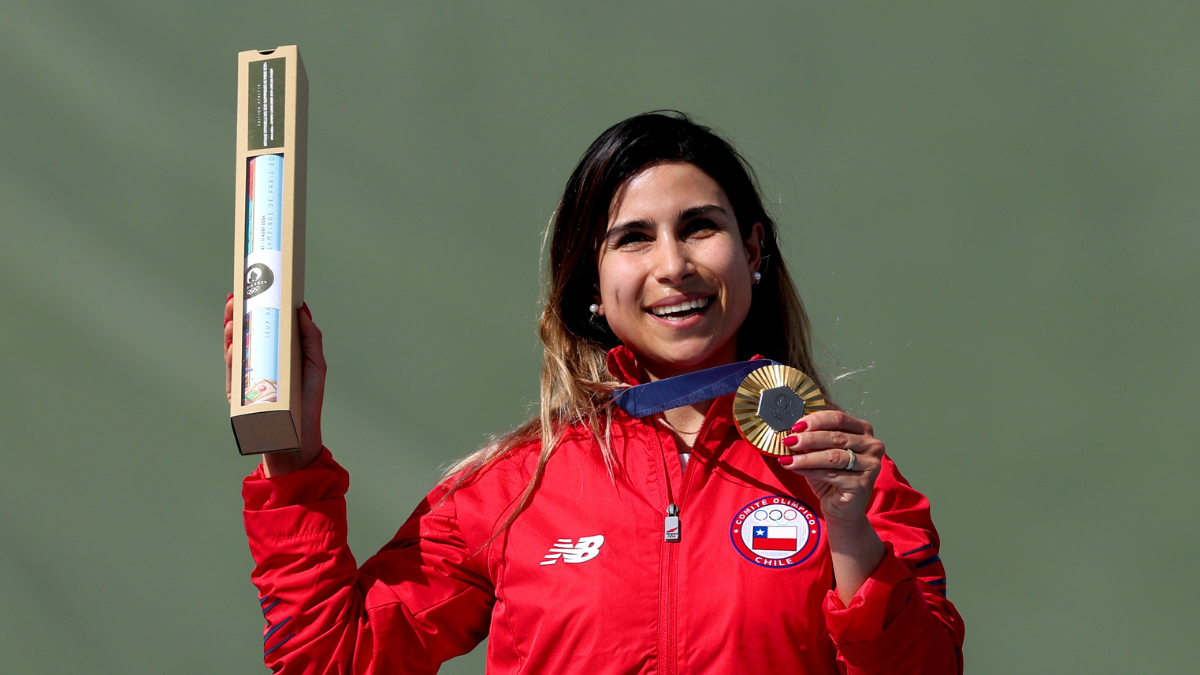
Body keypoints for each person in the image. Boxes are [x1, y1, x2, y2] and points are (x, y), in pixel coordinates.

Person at [223, 112, 965, 674]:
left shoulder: (845, 475)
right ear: (592, 286)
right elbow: (331, 658)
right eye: (634, 238)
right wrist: (290, 460)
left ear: (754, 249)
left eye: (700, 227)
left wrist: (851, 538)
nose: (673, 265)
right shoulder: (514, 489)